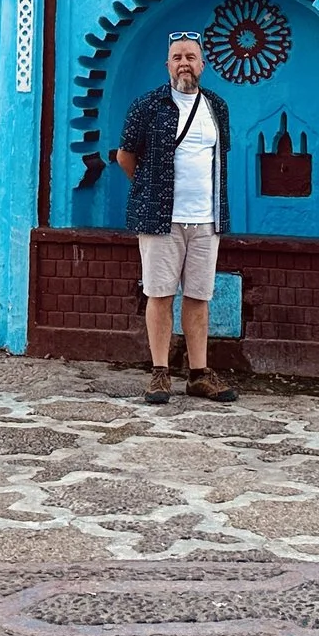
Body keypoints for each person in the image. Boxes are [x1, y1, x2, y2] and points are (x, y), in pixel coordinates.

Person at [113, 31, 238, 405]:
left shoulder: (217, 106)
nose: (184, 63)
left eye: (191, 56)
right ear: (167, 65)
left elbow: (220, 158)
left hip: (206, 220)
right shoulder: (148, 106)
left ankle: (199, 373)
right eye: (177, 56)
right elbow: (125, 155)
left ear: (203, 64)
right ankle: (160, 372)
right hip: (160, 220)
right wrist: (151, 192)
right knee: (160, 294)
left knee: (199, 296)